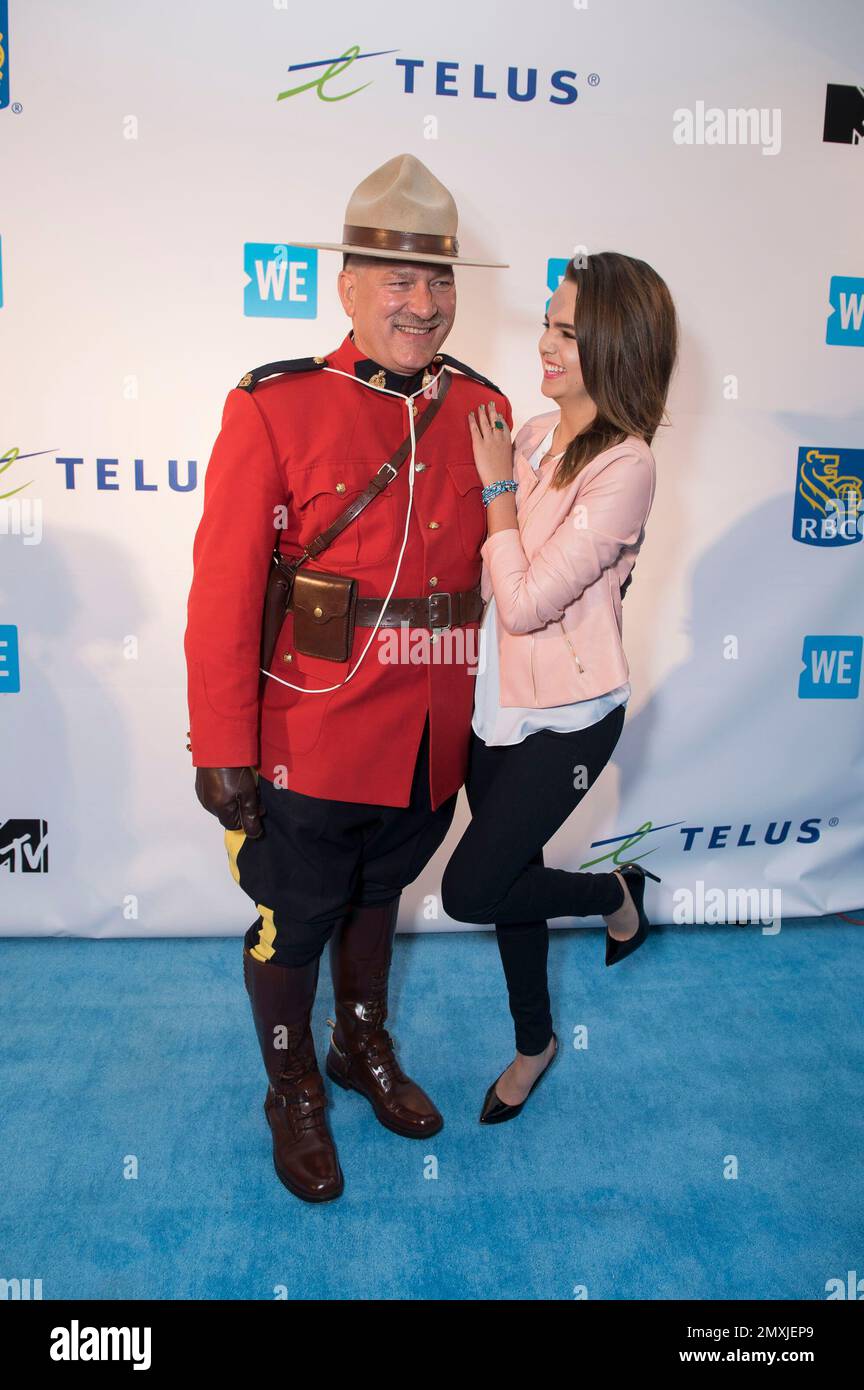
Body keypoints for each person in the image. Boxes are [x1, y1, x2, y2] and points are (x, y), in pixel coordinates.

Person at [184, 153, 513, 1201]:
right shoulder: (276, 407)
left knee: (384, 893)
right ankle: (291, 1089)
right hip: (310, 734)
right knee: (298, 915)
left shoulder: (484, 408)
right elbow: (226, 593)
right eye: (397, 280)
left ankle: (357, 1044)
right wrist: (223, 748)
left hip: (429, 734)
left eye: (440, 280)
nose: (424, 304)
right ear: (349, 286)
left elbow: (504, 579)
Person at [440, 251, 678, 1124]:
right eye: (547, 321)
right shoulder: (534, 434)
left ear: (615, 345)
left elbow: (530, 602)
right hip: (497, 705)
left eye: (569, 332)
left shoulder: (628, 466)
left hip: (572, 719)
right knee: (510, 881)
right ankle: (534, 1042)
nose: (545, 343)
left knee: (473, 888)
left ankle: (613, 893)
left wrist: (498, 485)